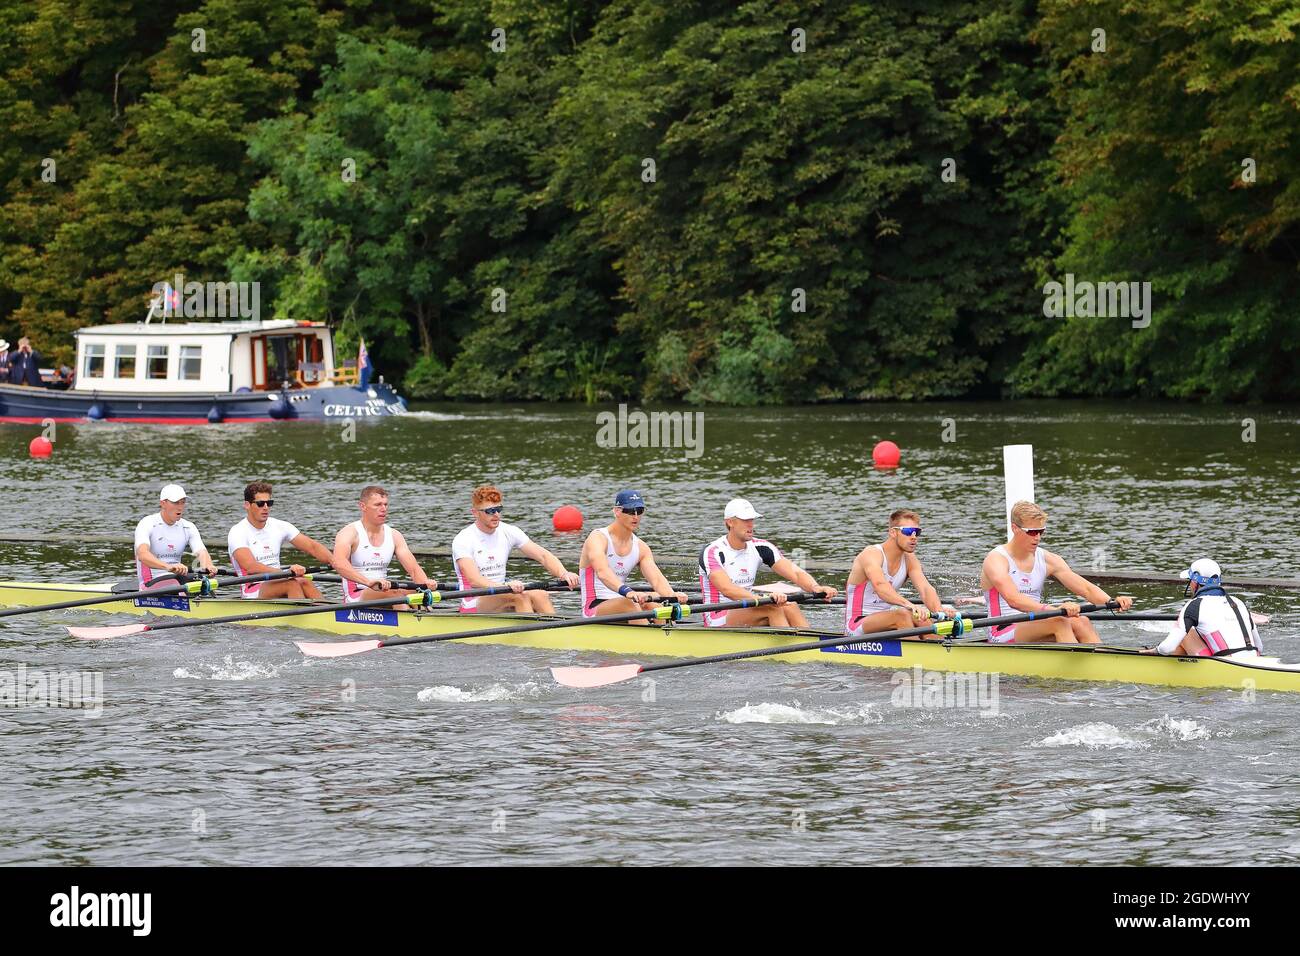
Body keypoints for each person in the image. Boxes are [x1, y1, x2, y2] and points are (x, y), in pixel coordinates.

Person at [979, 500, 1132, 644]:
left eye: (1041, 531)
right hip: (1001, 629)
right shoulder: (996, 559)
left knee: (1081, 621)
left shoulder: (1048, 559)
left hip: (1037, 622)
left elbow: (1086, 589)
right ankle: (1078, 667)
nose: (1037, 538)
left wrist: (1112, 602)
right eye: (1032, 532)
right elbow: (1014, 600)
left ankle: (1102, 663)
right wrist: (1054, 610)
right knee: (1059, 619)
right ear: (1014, 528)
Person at [697, 498, 838, 628]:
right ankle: (792, 650)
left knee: (790, 606)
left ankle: (810, 645)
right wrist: (763, 599)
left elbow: (796, 573)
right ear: (730, 522)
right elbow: (728, 589)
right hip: (717, 615)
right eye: (745, 520)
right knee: (772, 608)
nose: (751, 525)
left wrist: (815, 587)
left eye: (752, 519)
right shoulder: (713, 551)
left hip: (749, 606)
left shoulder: (761, 547)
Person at [451, 484, 578, 613]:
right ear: (475, 513)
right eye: (490, 511)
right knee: (520, 596)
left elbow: (543, 556)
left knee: (540, 594)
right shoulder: (464, 539)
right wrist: (505, 586)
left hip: (503, 592)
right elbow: (474, 579)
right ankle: (532, 631)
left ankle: (555, 631)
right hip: (473, 600)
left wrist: (564, 573)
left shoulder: (508, 531)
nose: (496, 515)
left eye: (498, 509)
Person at [578, 490, 688, 623]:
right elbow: (603, 573)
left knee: (656, 601)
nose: (636, 516)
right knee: (629, 604)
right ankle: (652, 639)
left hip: (623, 599)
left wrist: (671, 596)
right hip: (594, 608)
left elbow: (657, 580)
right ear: (617, 511)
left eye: (640, 510)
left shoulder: (641, 547)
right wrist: (628, 592)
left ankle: (668, 637)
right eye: (631, 511)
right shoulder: (598, 538)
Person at [844, 510, 956, 636]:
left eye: (917, 532)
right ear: (893, 532)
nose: (913, 537)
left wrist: (940, 612)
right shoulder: (871, 554)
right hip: (856, 625)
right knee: (903, 614)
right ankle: (917, 653)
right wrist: (910, 605)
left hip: (885, 622)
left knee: (921, 618)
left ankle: (938, 648)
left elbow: (925, 589)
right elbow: (880, 586)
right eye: (908, 531)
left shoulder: (910, 559)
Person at [228, 481, 336, 599]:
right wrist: (285, 573)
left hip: (279, 578)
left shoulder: (279, 526)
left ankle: (325, 614)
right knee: (291, 584)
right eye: (260, 504)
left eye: (269, 503)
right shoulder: (237, 532)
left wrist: (335, 561)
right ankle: (302, 615)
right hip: (254, 587)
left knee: (304, 581)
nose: (266, 508)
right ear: (247, 505)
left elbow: (312, 547)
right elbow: (251, 567)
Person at [331, 485, 435, 607]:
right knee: (395, 594)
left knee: (420, 593)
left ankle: (426, 616)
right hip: (357, 595)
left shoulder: (394, 535)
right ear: (362, 506)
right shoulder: (349, 533)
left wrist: (425, 584)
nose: (383, 509)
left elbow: (414, 569)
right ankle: (410, 621)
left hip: (383, 590)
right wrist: (369, 583)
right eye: (377, 505)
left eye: (385, 504)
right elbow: (338, 563)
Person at [1141, 559, 1262, 658]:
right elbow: (1259, 647)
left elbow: (1167, 648)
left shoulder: (1194, 605)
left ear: (1194, 583)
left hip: (1224, 667)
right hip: (1253, 659)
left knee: (1186, 634)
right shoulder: (1238, 602)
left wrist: (1156, 650)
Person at [134, 483, 217, 588]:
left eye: (182, 503)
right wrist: (168, 567)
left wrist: (208, 566)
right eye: (176, 503)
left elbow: (201, 551)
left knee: (204, 581)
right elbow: (142, 554)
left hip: (177, 579)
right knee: (181, 581)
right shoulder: (147, 523)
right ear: (163, 503)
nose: (180, 507)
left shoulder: (188, 527)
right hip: (150, 582)